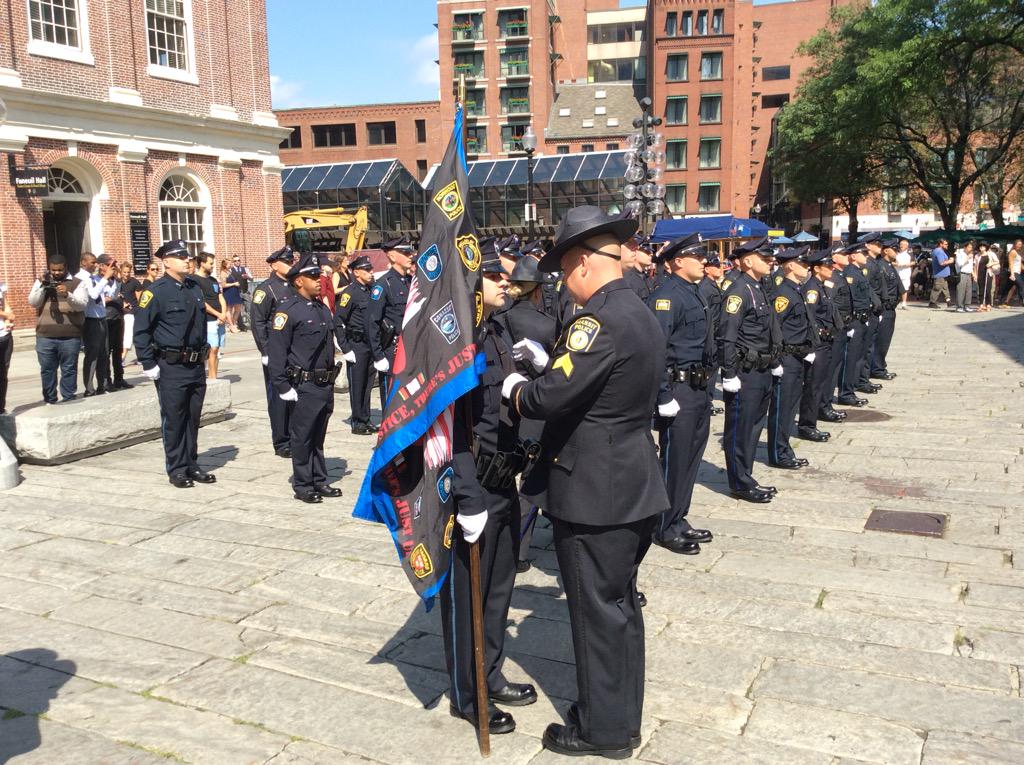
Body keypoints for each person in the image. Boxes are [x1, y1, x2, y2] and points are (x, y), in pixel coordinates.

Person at [503, 206, 669, 758]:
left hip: (596, 489)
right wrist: (552, 360)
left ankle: (601, 732)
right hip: (630, 478)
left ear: (579, 265)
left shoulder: (597, 319)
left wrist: (516, 388)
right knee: (619, 608)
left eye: (562, 271)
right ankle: (618, 717)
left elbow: (550, 398)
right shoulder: (638, 309)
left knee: (596, 614)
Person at [443, 250, 536, 737]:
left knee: (500, 589)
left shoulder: (500, 329)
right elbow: (450, 429)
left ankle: (491, 670)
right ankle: (467, 691)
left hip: (504, 480)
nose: (507, 281)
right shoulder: (458, 340)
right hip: (474, 486)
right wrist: (467, 496)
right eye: (496, 275)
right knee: (470, 597)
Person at [647, 233, 715, 555]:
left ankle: (678, 517)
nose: (704, 261)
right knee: (674, 461)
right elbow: (655, 349)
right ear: (677, 261)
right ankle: (664, 526)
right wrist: (663, 395)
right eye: (697, 256)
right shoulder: (667, 296)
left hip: (698, 389)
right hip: (678, 390)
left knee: (690, 460)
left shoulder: (695, 292)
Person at [133, 240, 215, 489]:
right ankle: (177, 468)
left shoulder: (194, 287)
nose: (186, 260)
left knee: (192, 417)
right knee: (174, 418)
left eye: (187, 257)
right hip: (170, 366)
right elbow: (142, 330)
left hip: (194, 364)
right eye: (180, 257)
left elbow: (199, 324)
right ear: (166, 262)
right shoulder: (155, 292)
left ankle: (191, 462)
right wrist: (148, 362)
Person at [493, 254, 557, 571]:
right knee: (532, 480)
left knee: (506, 475)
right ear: (537, 290)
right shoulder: (546, 325)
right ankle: (518, 548)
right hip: (535, 407)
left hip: (505, 408)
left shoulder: (500, 317)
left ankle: (507, 540)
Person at [267, 251, 342, 503]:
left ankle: (319, 480)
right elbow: (277, 352)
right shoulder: (287, 311)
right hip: (304, 384)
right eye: (312, 276)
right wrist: (282, 385)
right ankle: (303, 484)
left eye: (318, 275)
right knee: (302, 436)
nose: (319, 280)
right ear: (299, 281)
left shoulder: (321, 309)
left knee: (318, 435)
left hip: (324, 383)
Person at [718, 237, 782, 503]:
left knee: (755, 426)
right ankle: (740, 483)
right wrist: (729, 373)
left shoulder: (759, 287)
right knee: (741, 429)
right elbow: (727, 336)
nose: (770, 262)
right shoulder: (738, 291)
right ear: (747, 261)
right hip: (745, 371)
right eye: (764, 258)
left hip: (762, 369)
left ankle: (746, 476)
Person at [766, 246, 815, 470]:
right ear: (791, 266)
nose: (807, 268)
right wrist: (776, 360)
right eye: (803, 264)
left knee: (791, 407)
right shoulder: (784, 293)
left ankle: (785, 448)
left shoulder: (796, 290)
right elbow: (775, 327)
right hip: (786, 357)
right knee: (782, 408)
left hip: (797, 356)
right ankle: (778, 452)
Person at [251, 246, 297, 457]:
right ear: (274, 264)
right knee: (278, 398)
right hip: (276, 351)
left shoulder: (295, 286)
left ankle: (295, 435)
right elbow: (258, 322)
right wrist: (266, 351)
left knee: (295, 394)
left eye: (291, 261)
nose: (290, 265)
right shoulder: (266, 289)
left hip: (294, 351)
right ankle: (281, 440)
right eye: (286, 261)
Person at [30, 257, 88, 404]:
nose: (56, 273)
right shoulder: (42, 281)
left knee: (69, 368)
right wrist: (42, 286)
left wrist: (67, 294)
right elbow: (33, 302)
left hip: (70, 336)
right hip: (45, 335)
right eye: (53, 270)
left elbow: (81, 305)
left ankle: (68, 398)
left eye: (60, 269)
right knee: (47, 369)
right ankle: (50, 399)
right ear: (49, 268)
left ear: (66, 267)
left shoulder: (77, 283)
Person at [797, 249, 840, 441]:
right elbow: (810, 317)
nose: (832, 269)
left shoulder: (822, 286)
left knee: (820, 382)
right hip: (818, 342)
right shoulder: (813, 288)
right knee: (813, 385)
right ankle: (807, 425)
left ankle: (813, 418)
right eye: (828, 266)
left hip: (826, 341)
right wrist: (811, 345)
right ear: (816, 269)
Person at [367, 237, 414, 408]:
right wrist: (378, 355)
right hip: (392, 349)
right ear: (393, 257)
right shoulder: (383, 285)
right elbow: (372, 322)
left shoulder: (410, 283)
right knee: (392, 399)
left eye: (410, 251)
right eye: (405, 252)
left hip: (410, 347)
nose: (411, 255)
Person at [335, 256, 378, 435]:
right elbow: (338, 320)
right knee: (357, 384)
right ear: (357, 272)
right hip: (357, 345)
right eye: (367, 270)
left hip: (371, 345)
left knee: (368, 384)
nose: (371, 273)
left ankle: (366, 418)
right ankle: (358, 421)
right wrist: (345, 348)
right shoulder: (350, 293)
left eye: (371, 269)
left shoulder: (371, 290)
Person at [838, 244, 878, 405]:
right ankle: (845, 393)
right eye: (863, 254)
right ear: (853, 256)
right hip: (854, 321)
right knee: (850, 359)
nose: (866, 256)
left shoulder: (857, 272)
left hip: (862, 319)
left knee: (858, 357)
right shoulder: (850, 274)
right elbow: (850, 300)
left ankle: (851, 388)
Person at [78, 252, 117, 397]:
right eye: (92, 262)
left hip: (101, 317)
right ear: (83, 263)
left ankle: (103, 385)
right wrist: (105, 278)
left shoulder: (94, 278)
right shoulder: (82, 278)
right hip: (91, 319)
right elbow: (93, 295)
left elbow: (109, 294)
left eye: (96, 262)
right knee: (92, 355)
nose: (95, 265)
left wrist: (111, 277)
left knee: (104, 353)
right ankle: (89, 388)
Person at [871, 240, 904, 380]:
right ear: (886, 251)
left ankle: (880, 365)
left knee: (885, 340)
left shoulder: (889, 266)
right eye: (894, 248)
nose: (897, 251)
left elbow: (898, 286)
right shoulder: (879, 266)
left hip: (891, 308)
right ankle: (876, 368)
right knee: (880, 341)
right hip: (884, 308)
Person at [97, 255, 130, 391]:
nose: (114, 268)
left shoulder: (116, 281)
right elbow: (98, 298)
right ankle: (106, 381)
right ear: (102, 266)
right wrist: (110, 298)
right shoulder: (97, 280)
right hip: (105, 318)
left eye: (115, 265)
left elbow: (117, 295)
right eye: (110, 265)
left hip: (117, 317)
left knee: (118, 350)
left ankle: (119, 379)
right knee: (106, 351)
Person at [194, 252, 228, 380]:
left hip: (220, 319)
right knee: (211, 349)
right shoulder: (194, 280)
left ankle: (215, 375)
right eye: (210, 263)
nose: (213, 265)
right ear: (202, 263)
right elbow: (201, 301)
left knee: (217, 349)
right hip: (208, 320)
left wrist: (223, 314)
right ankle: (212, 378)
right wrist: (218, 314)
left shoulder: (213, 280)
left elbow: (220, 297)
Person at [119, 264, 144, 366]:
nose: (126, 274)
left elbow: (140, 298)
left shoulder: (135, 282)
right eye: (124, 272)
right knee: (125, 335)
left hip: (132, 311)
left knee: (128, 334)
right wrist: (122, 302)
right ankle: (140, 356)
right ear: (121, 272)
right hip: (120, 312)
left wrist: (141, 311)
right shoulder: (117, 282)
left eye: (128, 272)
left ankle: (123, 356)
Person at [227, 256, 252, 330]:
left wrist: (247, 277)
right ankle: (241, 326)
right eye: (235, 261)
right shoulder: (230, 271)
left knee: (250, 308)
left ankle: (252, 325)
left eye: (238, 260)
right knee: (238, 311)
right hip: (236, 292)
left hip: (245, 291)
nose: (237, 262)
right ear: (233, 262)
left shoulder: (245, 269)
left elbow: (251, 278)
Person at [928, 238, 954, 308]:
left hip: (942, 274)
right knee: (937, 288)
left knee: (945, 288)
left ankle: (948, 301)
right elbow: (941, 263)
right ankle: (932, 302)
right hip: (939, 274)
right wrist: (950, 261)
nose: (947, 245)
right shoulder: (939, 251)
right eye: (945, 244)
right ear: (941, 244)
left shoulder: (938, 251)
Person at [0, 281, 13, 413]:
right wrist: (6, 315)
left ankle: (1, 408)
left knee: (3, 373)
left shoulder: (1, 285)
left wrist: (9, 319)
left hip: (4, 335)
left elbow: (5, 304)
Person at [954, 242, 976, 312]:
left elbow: (971, 266)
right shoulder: (959, 253)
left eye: (971, 247)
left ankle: (967, 305)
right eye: (969, 247)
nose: (970, 249)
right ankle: (959, 306)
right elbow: (959, 263)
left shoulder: (970, 255)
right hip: (962, 273)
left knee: (968, 291)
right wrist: (967, 258)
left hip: (969, 274)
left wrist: (973, 274)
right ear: (965, 247)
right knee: (961, 290)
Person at [977, 243, 999, 311]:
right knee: (980, 289)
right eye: (980, 246)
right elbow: (975, 266)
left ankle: (988, 304)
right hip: (980, 273)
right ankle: (981, 304)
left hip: (988, 273)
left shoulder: (991, 254)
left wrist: (990, 264)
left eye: (983, 246)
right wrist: (975, 274)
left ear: (986, 247)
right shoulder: (977, 255)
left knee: (988, 289)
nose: (981, 247)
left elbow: (997, 261)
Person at [895, 239, 913, 308]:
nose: (901, 246)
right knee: (896, 288)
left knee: (905, 288)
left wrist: (907, 264)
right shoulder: (896, 252)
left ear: (907, 246)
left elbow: (914, 262)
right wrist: (897, 264)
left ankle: (904, 303)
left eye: (903, 245)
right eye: (900, 244)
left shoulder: (910, 252)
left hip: (905, 273)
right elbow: (891, 261)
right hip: (897, 272)